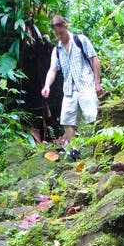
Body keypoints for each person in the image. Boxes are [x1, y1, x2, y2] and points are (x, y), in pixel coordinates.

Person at [41, 15, 102, 154]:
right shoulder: (57, 50)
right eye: (56, 34)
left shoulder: (81, 40)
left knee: (93, 116)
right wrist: (47, 86)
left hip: (86, 84)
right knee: (67, 119)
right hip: (69, 89)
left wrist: (97, 83)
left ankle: (101, 146)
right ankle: (74, 149)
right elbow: (52, 69)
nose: (59, 36)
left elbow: (94, 59)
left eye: (61, 33)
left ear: (66, 27)